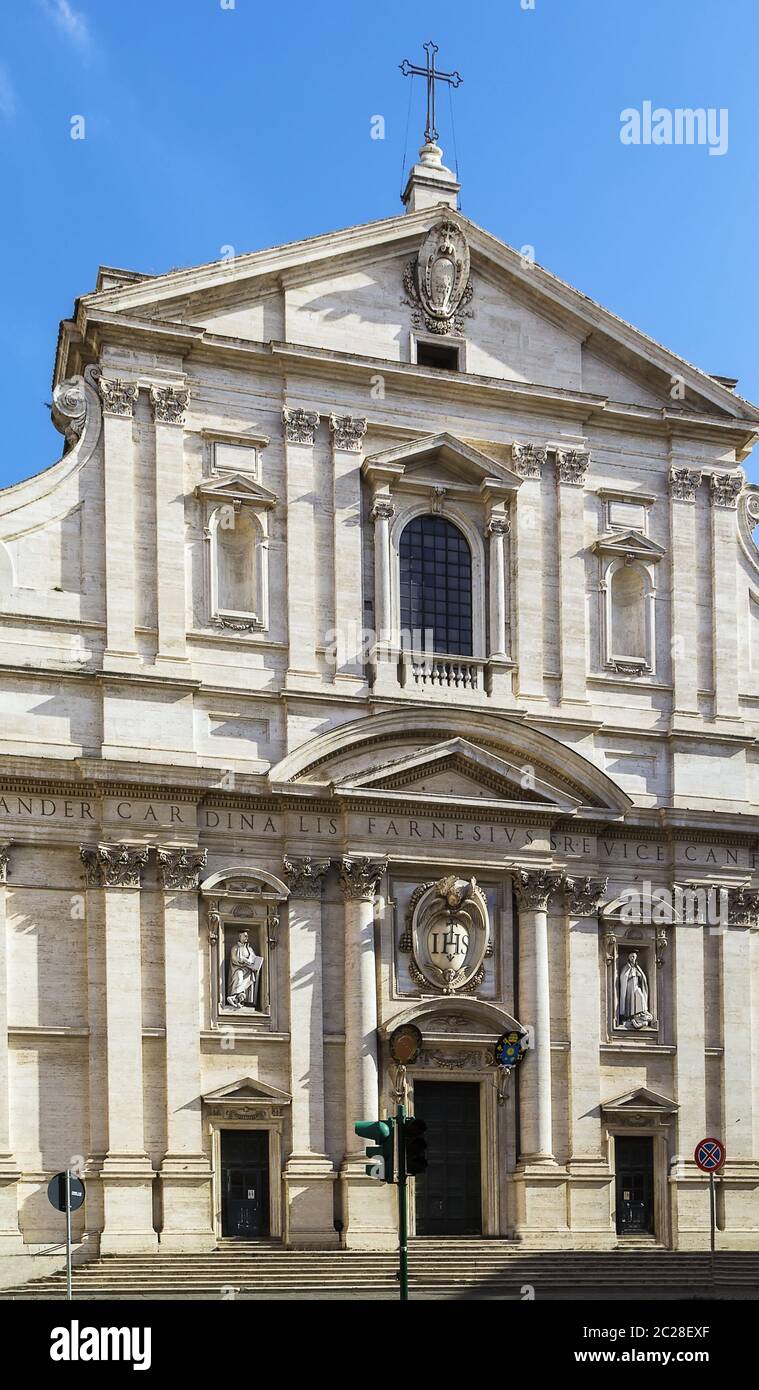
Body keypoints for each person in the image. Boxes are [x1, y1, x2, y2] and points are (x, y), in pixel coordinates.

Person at [226, 931, 263, 1009]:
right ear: (240, 936)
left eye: (247, 936)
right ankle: (233, 996)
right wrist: (245, 960)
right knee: (239, 977)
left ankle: (237, 1000)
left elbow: (253, 958)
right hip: (238, 968)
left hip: (248, 970)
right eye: (245, 936)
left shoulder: (249, 949)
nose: (247, 937)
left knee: (249, 980)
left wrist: (255, 963)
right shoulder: (235, 948)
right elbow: (234, 959)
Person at [618, 951, 651, 1026]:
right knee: (630, 1001)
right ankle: (630, 1016)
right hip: (629, 987)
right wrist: (629, 975)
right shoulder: (626, 967)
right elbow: (623, 977)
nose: (633, 958)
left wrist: (640, 976)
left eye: (634, 957)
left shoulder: (637, 968)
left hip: (636, 986)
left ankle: (642, 1013)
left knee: (641, 996)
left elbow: (642, 977)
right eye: (632, 956)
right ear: (629, 958)